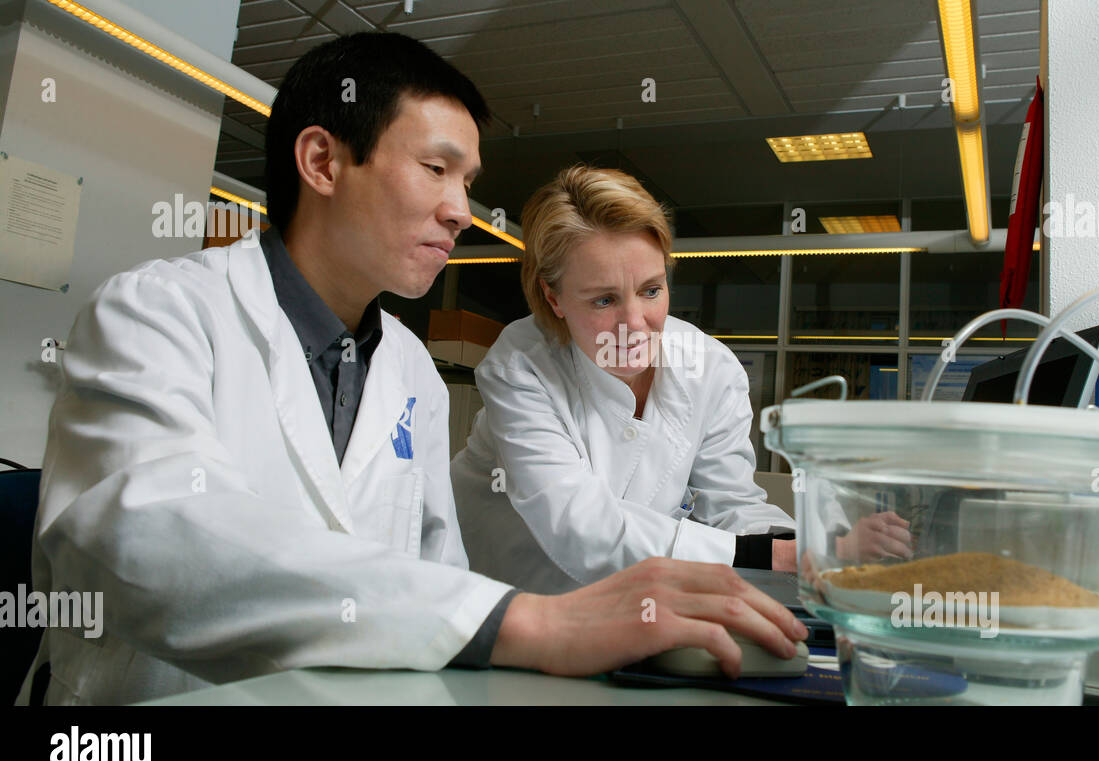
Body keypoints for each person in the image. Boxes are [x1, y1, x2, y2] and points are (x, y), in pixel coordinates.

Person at [17, 32, 804, 706]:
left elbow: (433, 575)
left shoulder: (412, 374)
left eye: (467, 181)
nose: (463, 209)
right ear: (323, 161)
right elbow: (148, 538)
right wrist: (525, 622)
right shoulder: (157, 315)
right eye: (437, 169)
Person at [451, 166, 800, 595]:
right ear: (553, 297)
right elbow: (578, 525)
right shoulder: (521, 366)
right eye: (604, 299)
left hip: (626, 605)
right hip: (503, 595)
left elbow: (731, 504)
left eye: (652, 291)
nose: (634, 324)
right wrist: (759, 558)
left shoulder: (710, 368)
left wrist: (804, 549)